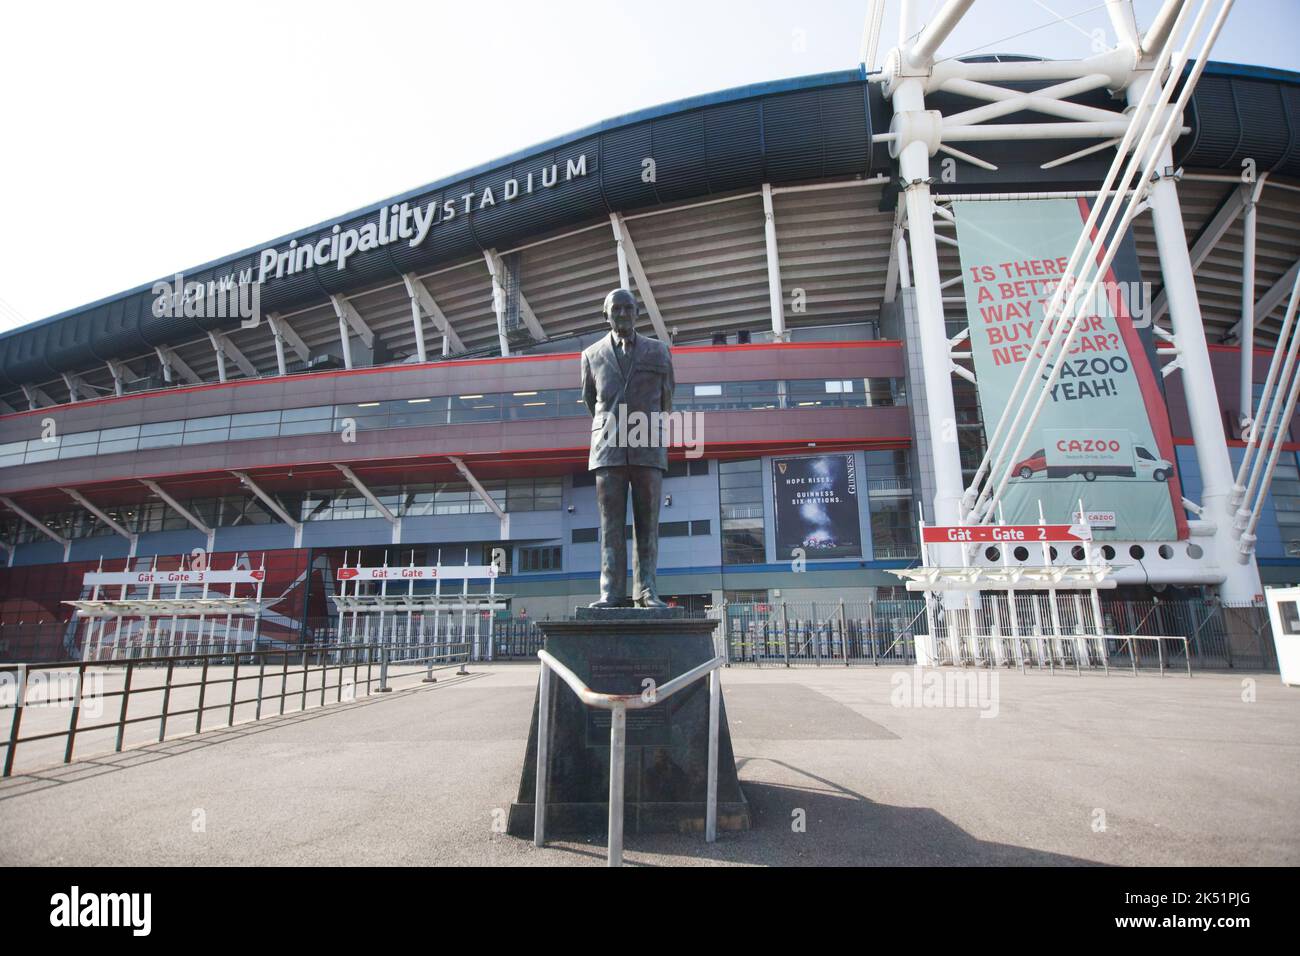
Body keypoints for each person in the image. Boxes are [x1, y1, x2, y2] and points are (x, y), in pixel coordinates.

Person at [580, 288, 675, 607]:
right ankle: (611, 592)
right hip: (608, 449)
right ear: (604, 315)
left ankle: (646, 590)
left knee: (648, 525)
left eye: (628, 309)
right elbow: (591, 402)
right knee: (611, 527)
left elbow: (666, 401)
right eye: (615, 309)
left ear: (637, 313)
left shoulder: (660, 351)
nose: (622, 314)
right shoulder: (591, 355)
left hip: (647, 445)